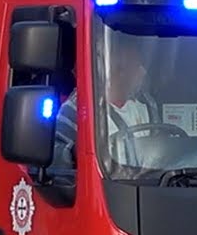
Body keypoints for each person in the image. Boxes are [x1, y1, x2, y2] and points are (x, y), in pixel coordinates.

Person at [52, 34, 156, 168]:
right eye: (136, 66)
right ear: (119, 71)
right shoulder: (76, 109)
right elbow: (56, 160)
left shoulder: (147, 104)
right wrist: (74, 153)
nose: (144, 72)